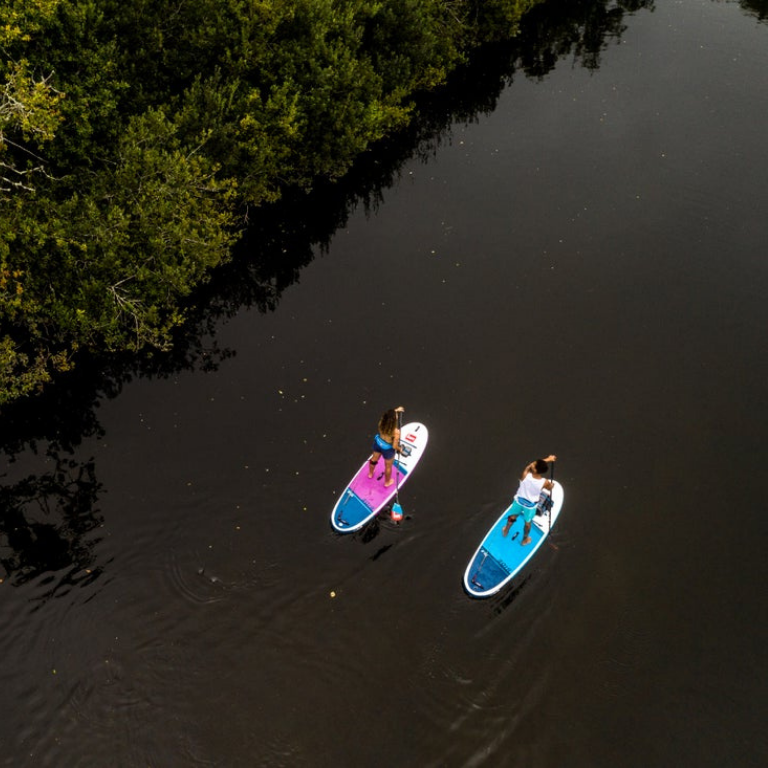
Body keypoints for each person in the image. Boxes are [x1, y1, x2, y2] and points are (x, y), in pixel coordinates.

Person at [502, 455, 557, 545]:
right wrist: (551, 486)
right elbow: (549, 488)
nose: (532, 464)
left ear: (534, 469)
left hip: (518, 501)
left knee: (512, 517)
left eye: (534, 465)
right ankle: (525, 540)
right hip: (530, 506)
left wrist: (548, 459)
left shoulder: (525, 474)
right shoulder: (544, 482)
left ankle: (506, 530)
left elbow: (530, 464)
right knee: (527, 523)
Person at [368, 406, 405, 487]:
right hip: (387, 449)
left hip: (378, 443)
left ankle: (370, 474)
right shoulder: (396, 432)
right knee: (388, 467)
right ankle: (387, 482)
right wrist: (400, 449)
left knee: (374, 460)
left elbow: (388, 416)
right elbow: (394, 446)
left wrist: (396, 410)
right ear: (394, 420)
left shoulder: (381, 423)